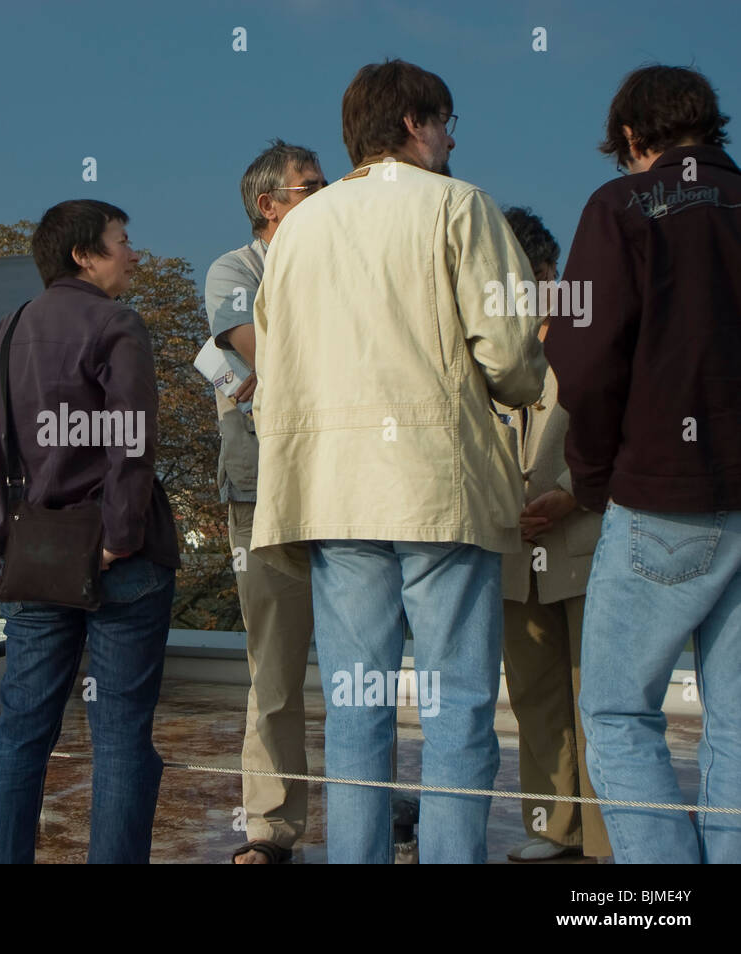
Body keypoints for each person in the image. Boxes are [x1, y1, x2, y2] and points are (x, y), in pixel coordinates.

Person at [251, 59, 546, 863]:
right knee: (456, 711)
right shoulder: (460, 205)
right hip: (436, 485)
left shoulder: (298, 230)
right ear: (416, 124)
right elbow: (514, 356)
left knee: (355, 711)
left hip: (333, 492)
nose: (453, 137)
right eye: (447, 121)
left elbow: (276, 371)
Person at [544, 65, 741, 864]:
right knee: (734, 719)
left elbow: (582, 365)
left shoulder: (621, 206)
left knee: (620, 714)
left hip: (665, 491)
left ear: (632, 138)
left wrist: (592, 479)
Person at [0, 199, 181, 864]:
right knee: (121, 739)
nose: (133, 252)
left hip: (35, 561)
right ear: (84, 254)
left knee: (20, 731)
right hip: (121, 565)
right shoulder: (116, 325)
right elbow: (132, 444)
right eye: (122, 240)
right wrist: (120, 536)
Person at [205, 140, 325, 864]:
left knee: (359, 662)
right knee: (275, 670)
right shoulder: (234, 270)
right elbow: (261, 355)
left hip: (342, 482)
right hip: (262, 493)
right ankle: (271, 826)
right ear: (268, 205)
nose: (327, 193)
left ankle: (379, 808)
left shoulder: (342, 260)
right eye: (310, 187)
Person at [495, 206, 611, 862]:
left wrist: (573, 493)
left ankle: (604, 841)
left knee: (594, 696)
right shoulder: (491, 348)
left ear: (543, 272)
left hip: (584, 536)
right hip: (516, 545)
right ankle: (552, 829)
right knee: (535, 697)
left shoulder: (588, 333)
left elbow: (612, 424)